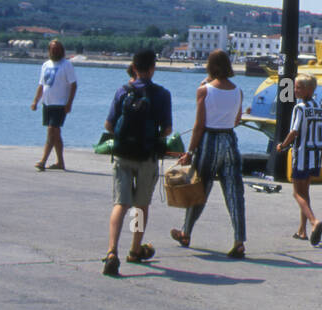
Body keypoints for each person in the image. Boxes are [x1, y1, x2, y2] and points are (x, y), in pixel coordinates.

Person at [102, 49, 173, 277]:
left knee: (120, 204)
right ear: (153, 68)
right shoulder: (162, 94)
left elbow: (108, 125)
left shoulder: (123, 91)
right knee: (140, 206)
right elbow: (167, 129)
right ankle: (134, 249)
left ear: (133, 66)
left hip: (123, 155)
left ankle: (112, 251)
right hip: (146, 157)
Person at [171, 50, 247, 257]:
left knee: (200, 188)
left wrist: (190, 151)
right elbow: (236, 120)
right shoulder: (238, 91)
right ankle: (239, 239)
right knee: (234, 191)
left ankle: (186, 232)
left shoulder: (204, 91)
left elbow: (198, 125)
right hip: (229, 139)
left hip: (210, 140)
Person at [276, 74, 322, 246]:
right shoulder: (321, 107)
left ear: (309, 89)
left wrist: (282, 145)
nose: (295, 90)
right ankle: (302, 230)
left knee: (296, 193)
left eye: (298, 87)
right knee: (305, 192)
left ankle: (314, 221)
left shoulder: (299, 108)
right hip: (315, 155)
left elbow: (294, 131)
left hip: (301, 154)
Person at [30, 39, 78, 171]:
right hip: (47, 103)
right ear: (49, 50)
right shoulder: (46, 65)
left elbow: (73, 85)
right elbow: (41, 85)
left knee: (51, 131)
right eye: (52, 49)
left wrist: (69, 103)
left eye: (57, 49)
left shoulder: (66, 65)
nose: (55, 51)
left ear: (61, 51)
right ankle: (60, 163)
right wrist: (35, 101)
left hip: (60, 104)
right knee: (55, 134)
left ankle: (43, 161)